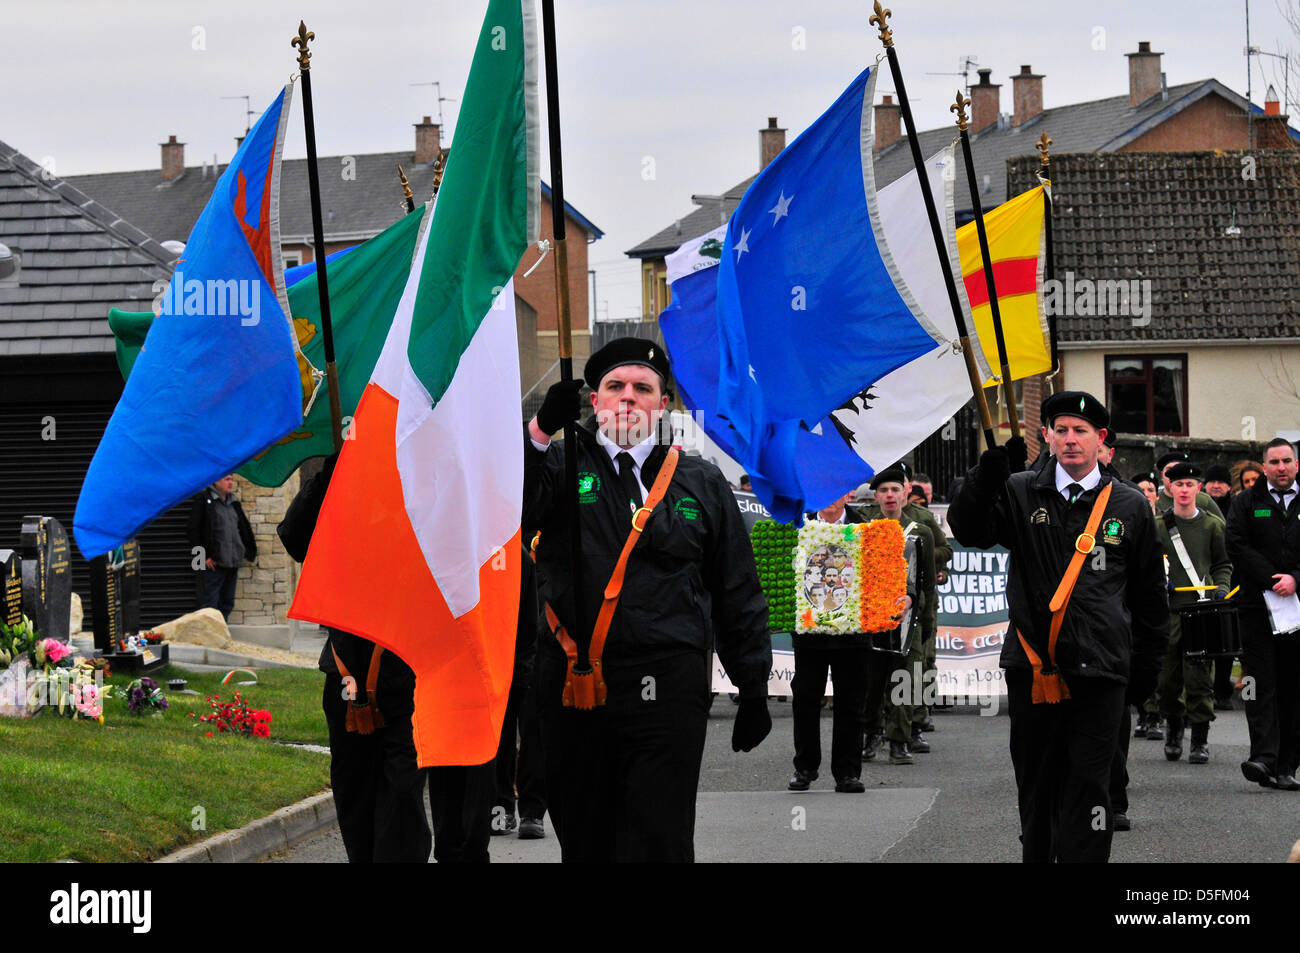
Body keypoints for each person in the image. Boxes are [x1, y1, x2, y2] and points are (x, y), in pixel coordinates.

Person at [524, 337, 772, 862]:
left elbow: (735, 587)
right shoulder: (559, 465)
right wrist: (540, 433)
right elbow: (512, 509)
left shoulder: (700, 481)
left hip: (669, 685)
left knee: (660, 836)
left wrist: (751, 685)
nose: (628, 398)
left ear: (663, 405)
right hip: (576, 683)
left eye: (643, 388)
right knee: (586, 835)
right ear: (594, 402)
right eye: (614, 387)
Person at [949, 391, 1168, 862]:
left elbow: (1151, 597)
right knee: (1037, 785)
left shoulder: (1130, 505)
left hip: (1101, 669)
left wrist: (1146, 670)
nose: (1070, 441)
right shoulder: (1019, 489)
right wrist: (983, 480)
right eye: (1061, 430)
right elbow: (971, 530)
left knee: (1091, 789)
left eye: (1081, 431)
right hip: (1033, 670)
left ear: (1100, 439)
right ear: (1046, 435)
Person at [278, 454, 431, 864]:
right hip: (346, 675)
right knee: (355, 793)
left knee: (402, 792)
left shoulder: (422, 483)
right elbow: (294, 539)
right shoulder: (335, 494)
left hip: (406, 675)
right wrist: (328, 474)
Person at [788, 493, 894, 793]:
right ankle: (805, 767)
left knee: (851, 701)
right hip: (810, 634)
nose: (829, 497)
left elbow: (882, 573)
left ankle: (847, 772)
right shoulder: (799, 528)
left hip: (854, 633)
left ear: (848, 494)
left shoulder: (866, 529)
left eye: (836, 490)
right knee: (806, 699)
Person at [1225, 437, 1300, 791]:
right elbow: (1236, 544)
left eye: (1287, 461)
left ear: (1296, 464)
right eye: (1274, 462)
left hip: (1297, 609)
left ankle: (1287, 765)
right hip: (1257, 607)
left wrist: (1295, 579)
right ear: (1264, 466)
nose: (1281, 468)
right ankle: (1263, 758)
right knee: (1258, 684)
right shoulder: (1245, 502)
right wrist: (1272, 579)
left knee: (1292, 687)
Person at [856, 464, 944, 763]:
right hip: (872, 616)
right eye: (883, 490)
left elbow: (928, 583)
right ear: (876, 496)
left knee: (904, 678)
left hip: (910, 619)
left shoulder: (920, 531)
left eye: (894, 489)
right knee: (871, 680)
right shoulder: (864, 529)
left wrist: (927, 623)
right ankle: (871, 734)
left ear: (905, 492)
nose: (890, 495)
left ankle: (899, 741)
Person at [1153, 463, 1232, 764]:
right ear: (1169, 488)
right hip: (1169, 613)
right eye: (1179, 484)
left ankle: (1200, 738)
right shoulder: (1157, 526)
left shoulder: (1213, 525)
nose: (1184, 490)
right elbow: (1147, 565)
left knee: (1200, 679)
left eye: (1189, 484)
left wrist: (1221, 589)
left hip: (1201, 610)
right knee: (1168, 680)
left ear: (1198, 488)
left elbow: (1223, 563)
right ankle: (1174, 728)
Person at [187, 474, 257, 620]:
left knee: (227, 602)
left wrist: (249, 552)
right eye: (227, 479)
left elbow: (243, 528)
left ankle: (221, 632)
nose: (230, 483)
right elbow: (194, 531)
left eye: (232, 479)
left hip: (232, 562)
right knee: (209, 604)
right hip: (214, 564)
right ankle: (209, 638)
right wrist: (203, 558)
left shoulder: (234, 503)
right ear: (216, 481)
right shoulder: (204, 500)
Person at [1155, 451, 1224, 521]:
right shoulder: (1154, 499)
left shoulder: (1204, 500)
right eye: (1169, 470)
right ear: (1161, 475)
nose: (1173, 474)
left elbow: (1221, 526)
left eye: (1178, 469)